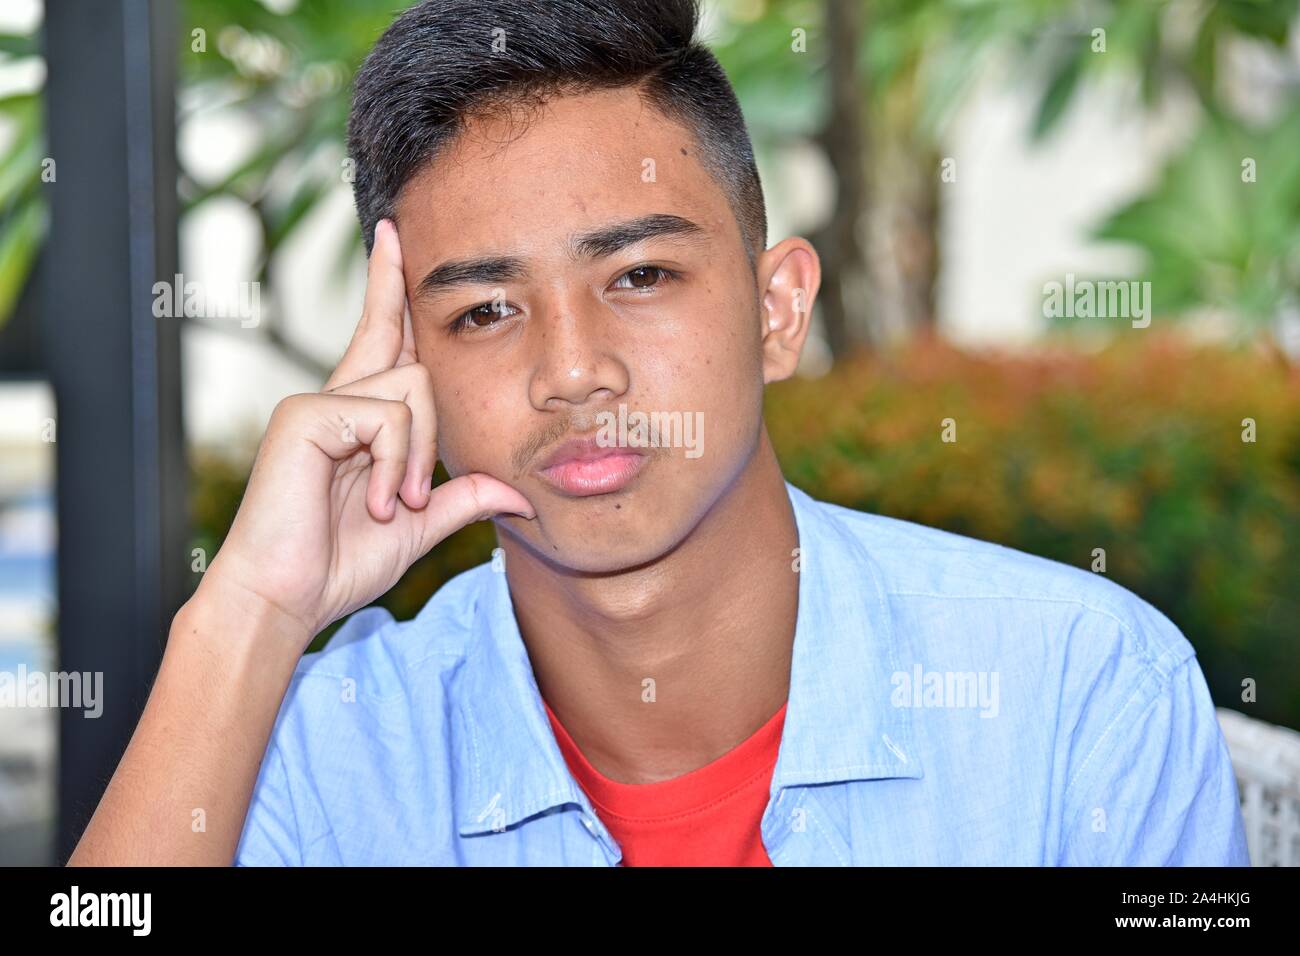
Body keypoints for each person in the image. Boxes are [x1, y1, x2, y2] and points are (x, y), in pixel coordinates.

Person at [69, 0, 1250, 866]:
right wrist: (250, 613)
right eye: (485, 309)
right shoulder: (325, 749)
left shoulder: (1075, 692)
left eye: (637, 274)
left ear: (778, 308)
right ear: (407, 371)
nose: (572, 369)